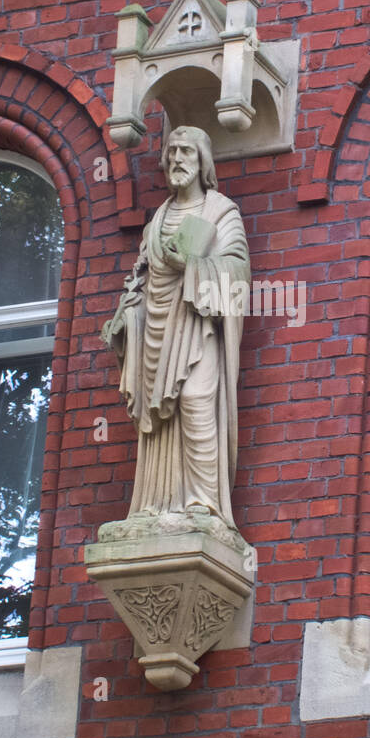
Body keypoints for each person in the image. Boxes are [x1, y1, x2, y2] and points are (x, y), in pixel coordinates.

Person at [101, 126, 250, 537]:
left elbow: (238, 273)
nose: (178, 159)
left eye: (187, 151)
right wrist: (126, 315)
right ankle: (154, 506)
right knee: (156, 416)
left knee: (195, 399)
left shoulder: (220, 211)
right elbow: (141, 278)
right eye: (172, 151)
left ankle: (204, 506)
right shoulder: (157, 220)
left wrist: (193, 267)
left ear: (203, 162)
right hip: (155, 331)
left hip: (198, 326)